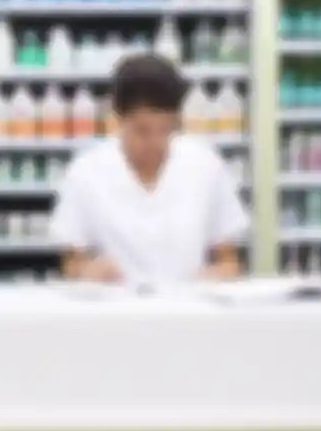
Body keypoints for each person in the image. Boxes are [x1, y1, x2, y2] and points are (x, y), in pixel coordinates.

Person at [48, 52, 249, 285]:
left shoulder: (206, 166)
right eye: (142, 131)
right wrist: (88, 272)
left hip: (188, 310)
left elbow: (228, 261)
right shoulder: (86, 171)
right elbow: (72, 263)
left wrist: (213, 277)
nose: (156, 143)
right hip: (116, 313)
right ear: (117, 119)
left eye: (166, 129)